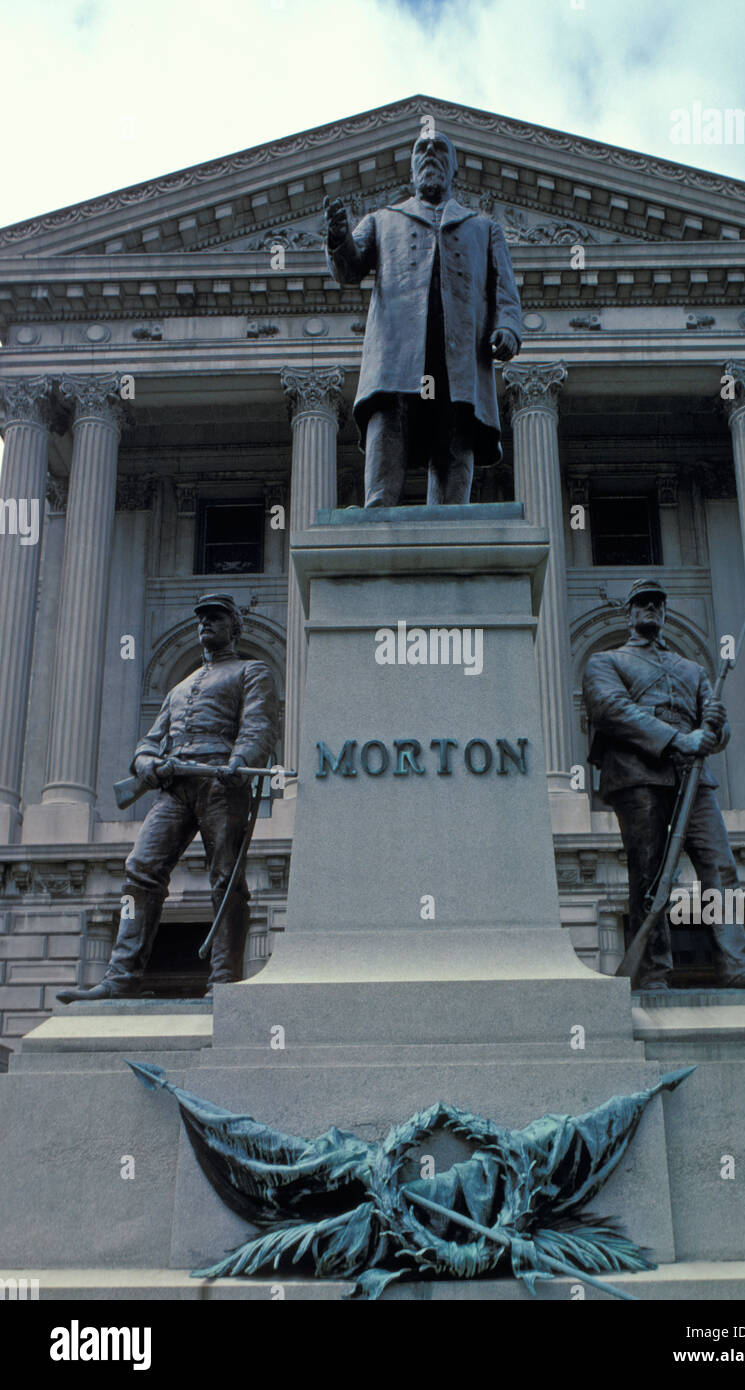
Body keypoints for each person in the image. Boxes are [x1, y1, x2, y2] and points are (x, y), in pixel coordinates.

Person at [57, 594, 278, 1001]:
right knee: (140, 869)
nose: (206, 624)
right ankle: (121, 976)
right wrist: (145, 764)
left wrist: (241, 760)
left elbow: (258, 726)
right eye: (202, 619)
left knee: (226, 879)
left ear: (234, 627)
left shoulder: (252, 671)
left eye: (215, 617)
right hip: (175, 787)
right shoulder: (179, 688)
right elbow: (149, 741)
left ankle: (224, 979)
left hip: (220, 783)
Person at [582, 578, 745, 992]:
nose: (650, 609)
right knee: (651, 875)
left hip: (693, 779)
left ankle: (736, 964)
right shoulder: (605, 662)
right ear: (629, 613)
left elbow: (720, 732)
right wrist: (678, 738)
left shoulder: (692, 670)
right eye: (642, 603)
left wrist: (715, 729)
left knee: (720, 867)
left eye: (657, 603)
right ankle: (653, 971)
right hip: (641, 776)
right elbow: (611, 709)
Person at [324, 127, 522, 507]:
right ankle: (377, 512)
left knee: (456, 431)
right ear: (412, 170)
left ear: (454, 171)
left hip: (458, 353)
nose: (430, 154)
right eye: (422, 150)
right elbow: (349, 269)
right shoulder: (383, 219)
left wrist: (509, 328)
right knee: (390, 425)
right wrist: (337, 237)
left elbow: (505, 292)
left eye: (440, 150)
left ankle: (450, 524)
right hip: (399, 351)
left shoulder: (483, 228)